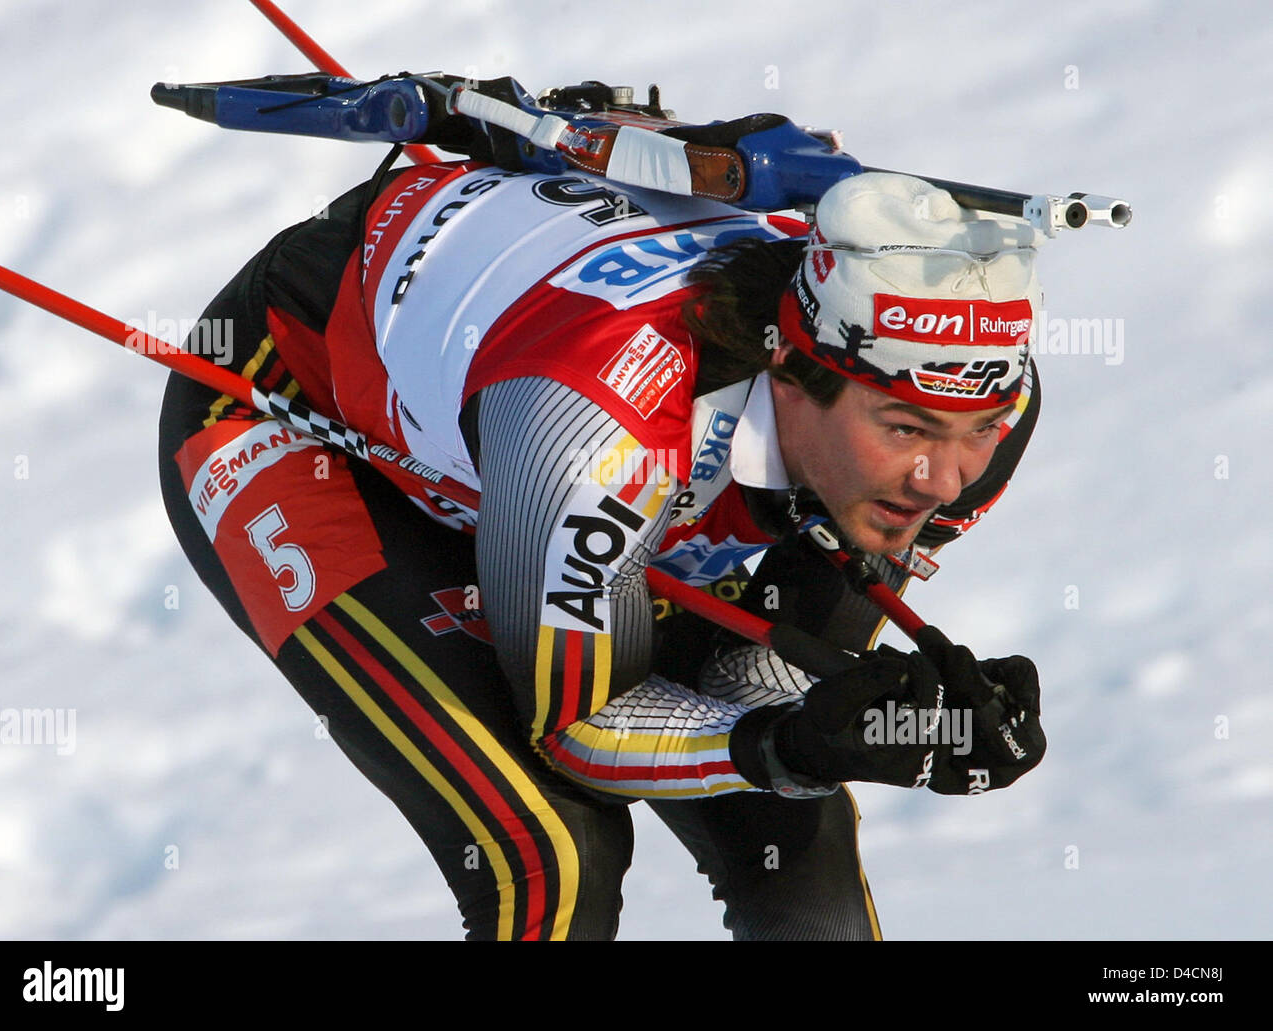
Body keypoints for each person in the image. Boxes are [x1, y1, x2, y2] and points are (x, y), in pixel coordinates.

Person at [157, 159, 1047, 940]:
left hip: (556, 464)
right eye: (903, 427)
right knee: (553, 853)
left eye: (979, 431)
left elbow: (756, 684)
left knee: (795, 838)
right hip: (298, 415)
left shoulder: (965, 427)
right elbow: (582, 723)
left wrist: (867, 728)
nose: (942, 479)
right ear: (795, 375)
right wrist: (795, 744)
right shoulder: (600, 433)